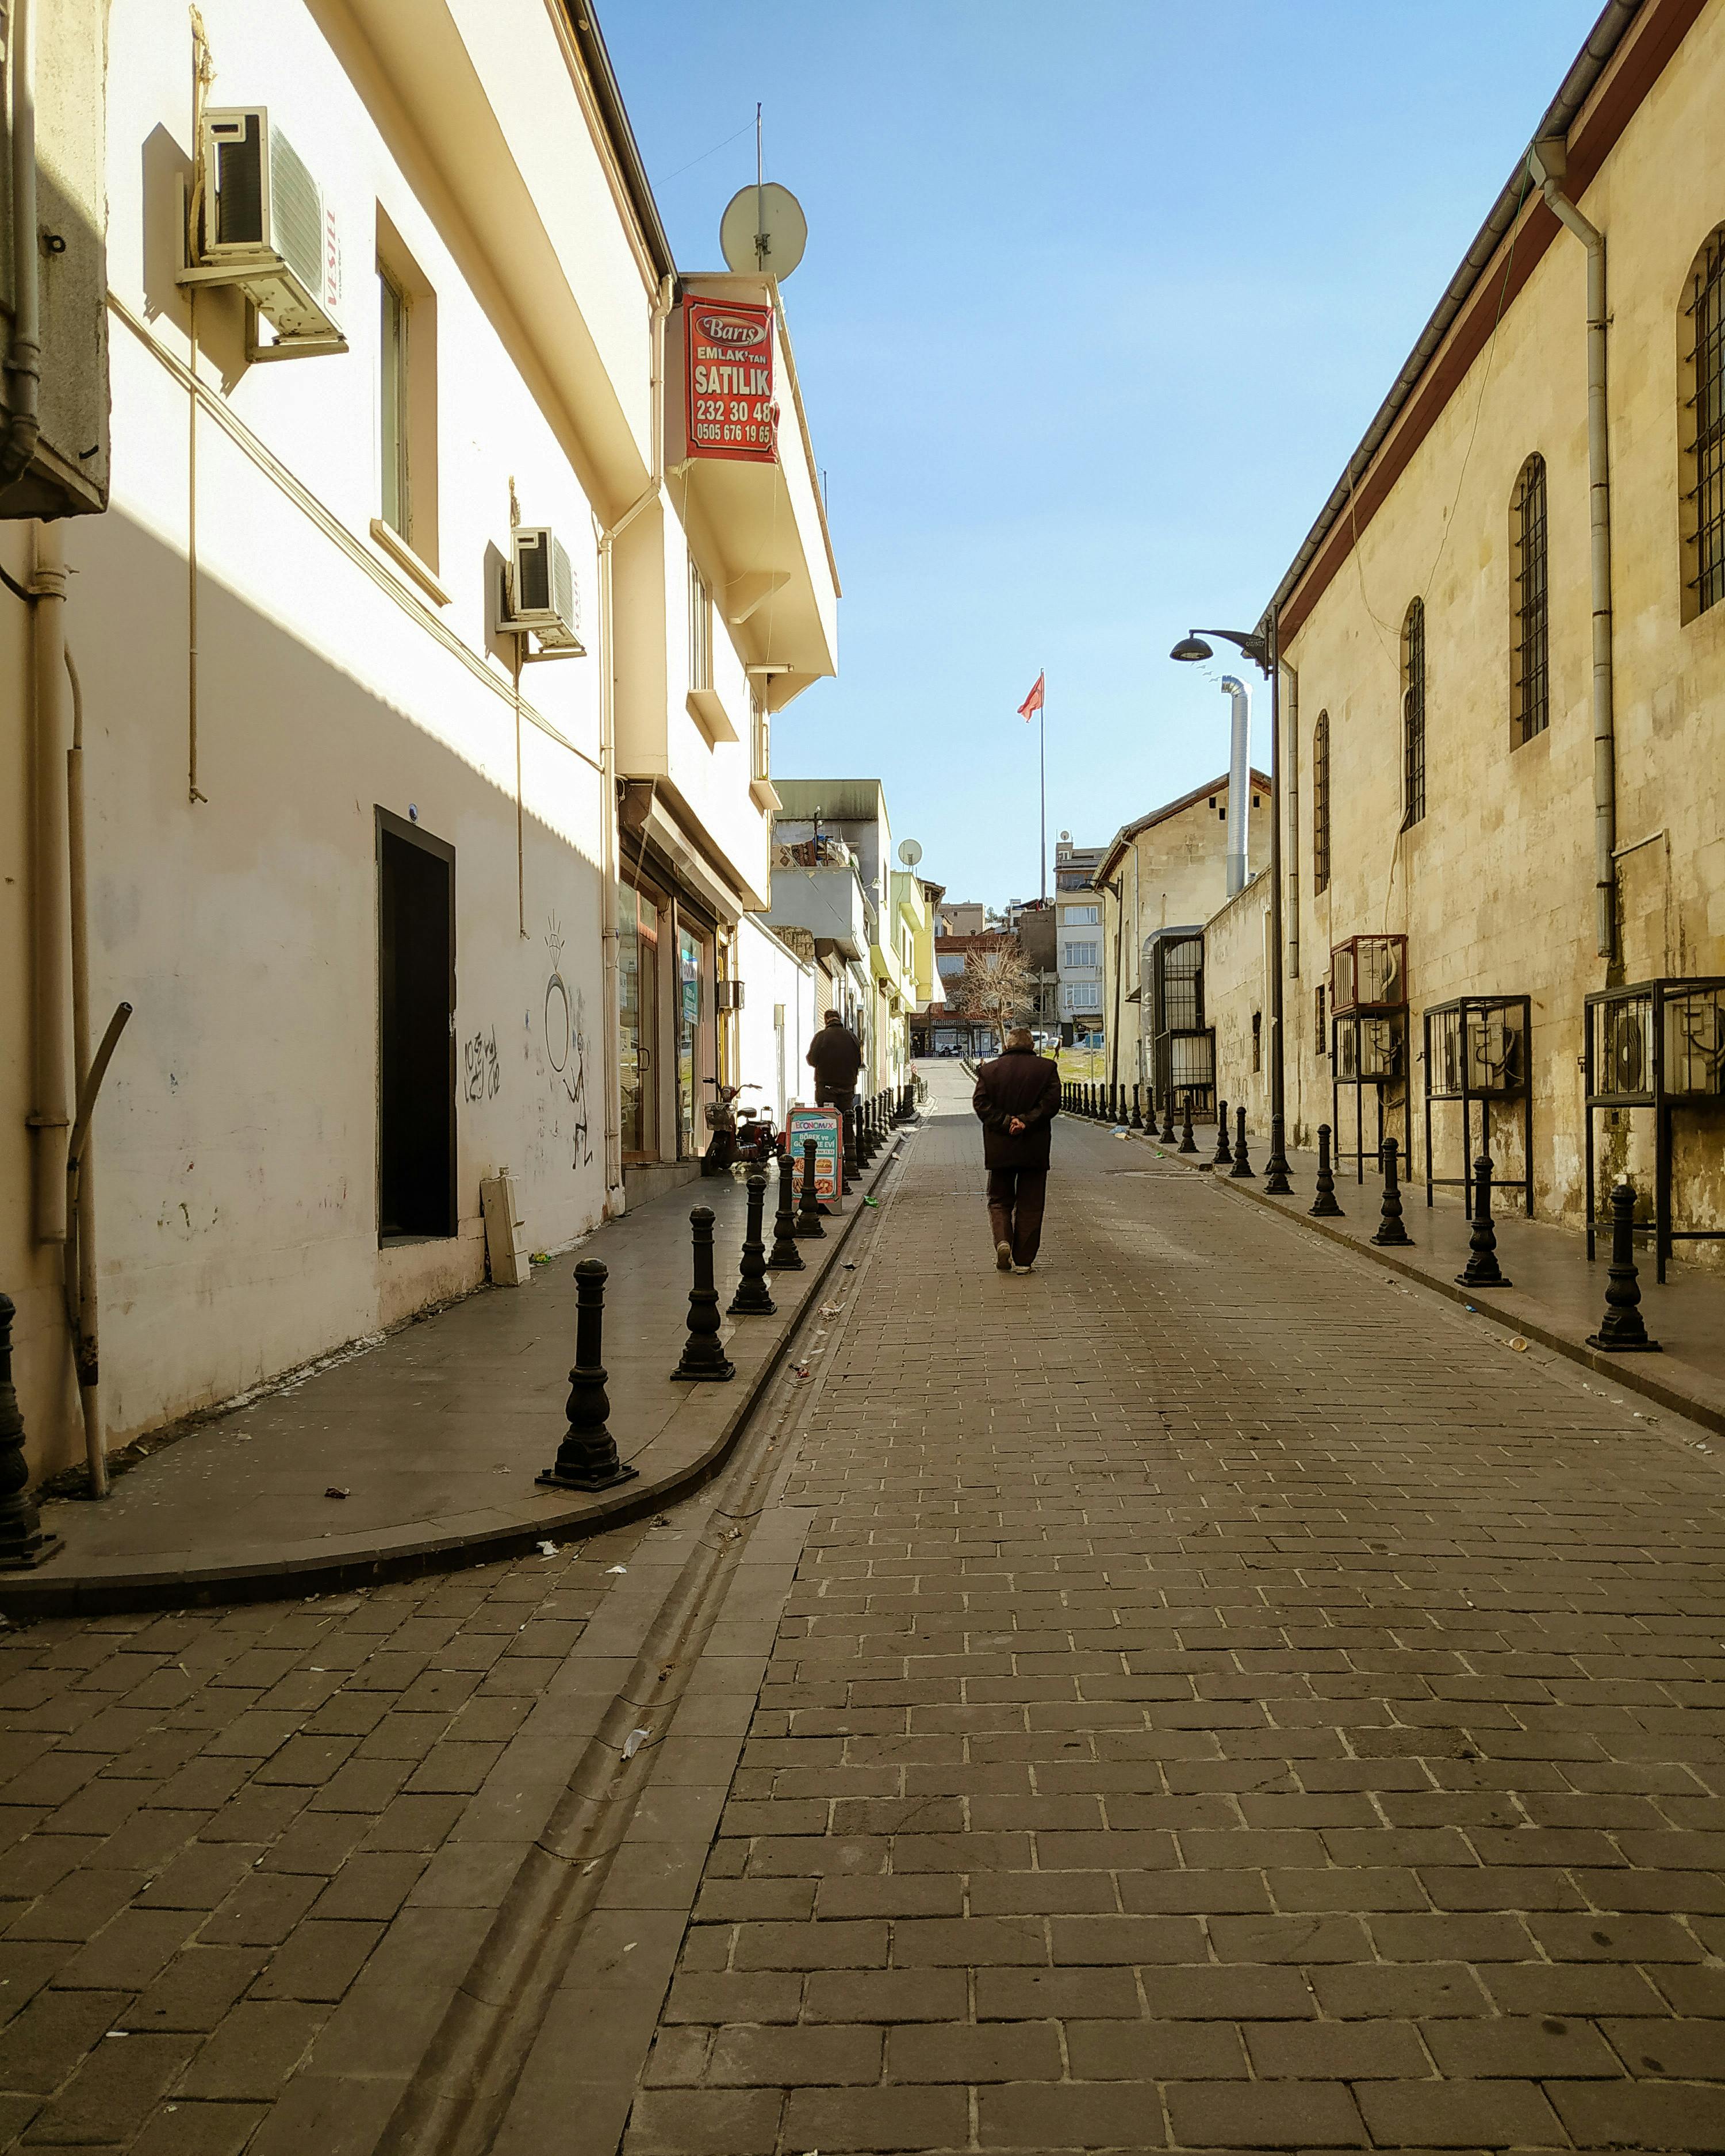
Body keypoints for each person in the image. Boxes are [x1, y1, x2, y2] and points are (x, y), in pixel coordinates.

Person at [972, 1026, 1061, 1273]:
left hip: (1000, 1148)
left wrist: (1005, 1121)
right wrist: (1025, 1120)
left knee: (1000, 1200)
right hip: (1034, 1148)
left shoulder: (989, 1071)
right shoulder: (1046, 1069)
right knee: (1031, 1204)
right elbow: (1052, 1103)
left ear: (1007, 1046)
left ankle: (1003, 1241)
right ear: (1032, 1046)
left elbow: (981, 1103)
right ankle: (1023, 1261)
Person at [806, 1009, 863, 1118]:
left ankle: (831, 1134)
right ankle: (847, 1134)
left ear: (826, 1020)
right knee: (847, 1119)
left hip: (827, 1089)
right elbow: (859, 1062)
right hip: (847, 1088)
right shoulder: (852, 1037)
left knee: (828, 1120)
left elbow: (812, 1060)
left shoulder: (821, 1037)